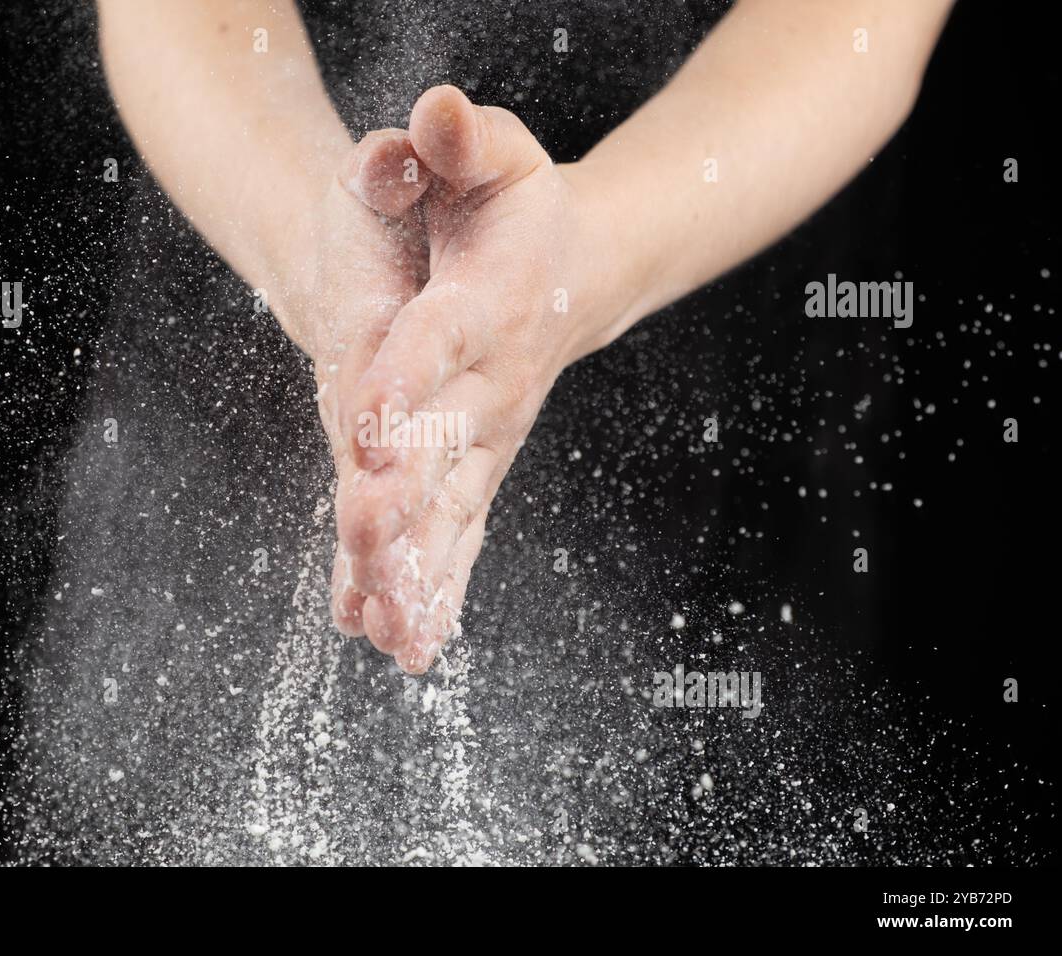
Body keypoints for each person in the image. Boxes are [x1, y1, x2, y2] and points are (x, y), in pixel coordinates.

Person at [95, 0, 954, 674]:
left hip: (715, 254)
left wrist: (593, 250)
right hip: (246, 222)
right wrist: (310, 248)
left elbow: (864, 17)